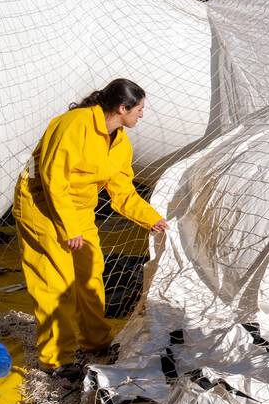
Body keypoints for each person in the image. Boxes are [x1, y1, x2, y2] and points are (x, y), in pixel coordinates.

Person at [14, 79, 168, 372]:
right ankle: (57, 360)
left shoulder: (120, 142)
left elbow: (122, 191)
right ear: (122, 108)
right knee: (55, 282)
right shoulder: (73, 125)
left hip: (80, 210)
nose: (142, 114)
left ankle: (95, 342)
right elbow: (54, 180)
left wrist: (152, 219)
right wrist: (69, 228)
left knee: (91, 274)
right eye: (139, 108)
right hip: (42, 206)